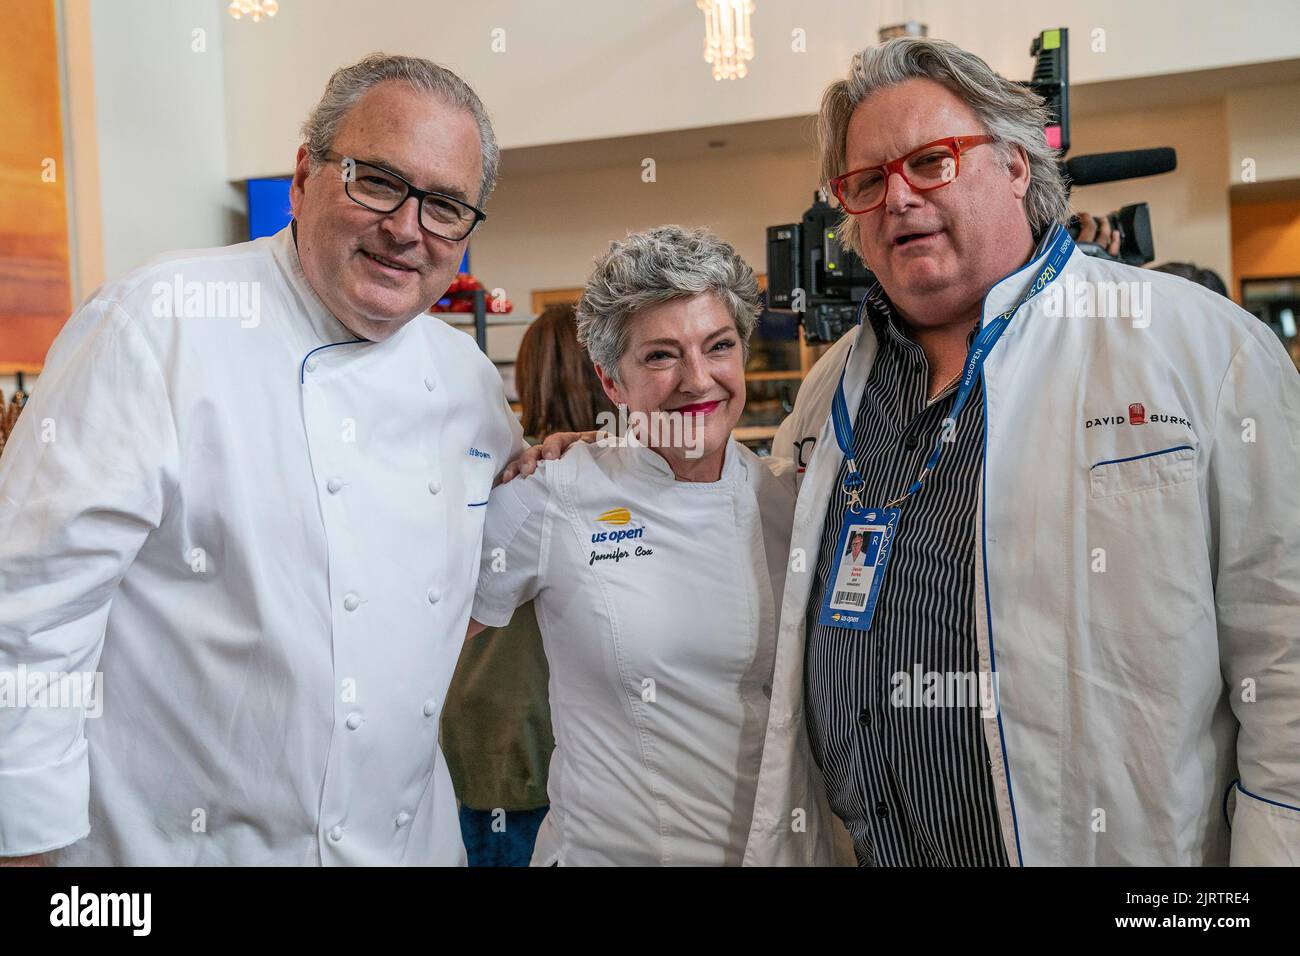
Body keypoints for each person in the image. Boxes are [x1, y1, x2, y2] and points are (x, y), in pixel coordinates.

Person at [744, 36, 1300, 866]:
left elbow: (1284, 655)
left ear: (1013, 165)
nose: (897, 199)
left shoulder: (1201, 349)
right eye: (865, 183)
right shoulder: (831, 386)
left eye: (932, 161)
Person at [0, 54, 522, 866]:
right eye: (377, 181)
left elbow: (481, 587)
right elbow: (30, 617)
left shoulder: (468, 384)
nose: (407, 227)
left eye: (447, 206)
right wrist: (28, 848)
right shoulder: (159, 324)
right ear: (306, 175)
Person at [468, 226, 846, 865]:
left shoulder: (792, 500)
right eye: (662, 356)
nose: (698, 380)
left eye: (718, 346)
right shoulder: (553, 494)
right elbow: (416, 646)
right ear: (611, 382)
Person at [441, 303, 613, 866]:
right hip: (535, 744)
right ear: (605, 373)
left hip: (482, 730)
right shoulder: (553, 480)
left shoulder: (500, 471)